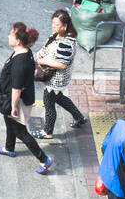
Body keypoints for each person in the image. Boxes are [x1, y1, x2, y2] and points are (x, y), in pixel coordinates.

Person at [0, 22, 53, 173]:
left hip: (17, 101)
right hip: (16, 97)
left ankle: (44, 159)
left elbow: (16, 89)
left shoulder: (20, 62)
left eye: (11, 34)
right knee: (9, 122)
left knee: (20, 131)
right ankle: (9, 147)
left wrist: (13, 107)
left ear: (18, 40)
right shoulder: (24, 51)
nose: (8, 36)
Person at [35, 9, 87, 139]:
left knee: (49, 105)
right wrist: (41, 52)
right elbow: (49, 47)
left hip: (55, 80)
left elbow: (62, 64)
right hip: (55, 79)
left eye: (56, 24)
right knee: (59, 98)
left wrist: (44, 60)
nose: (53, 26)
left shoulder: (66, 43)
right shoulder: (57, 35)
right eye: (53, 23)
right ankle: (79, 118)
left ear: (64, 26)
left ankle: (47, 132)